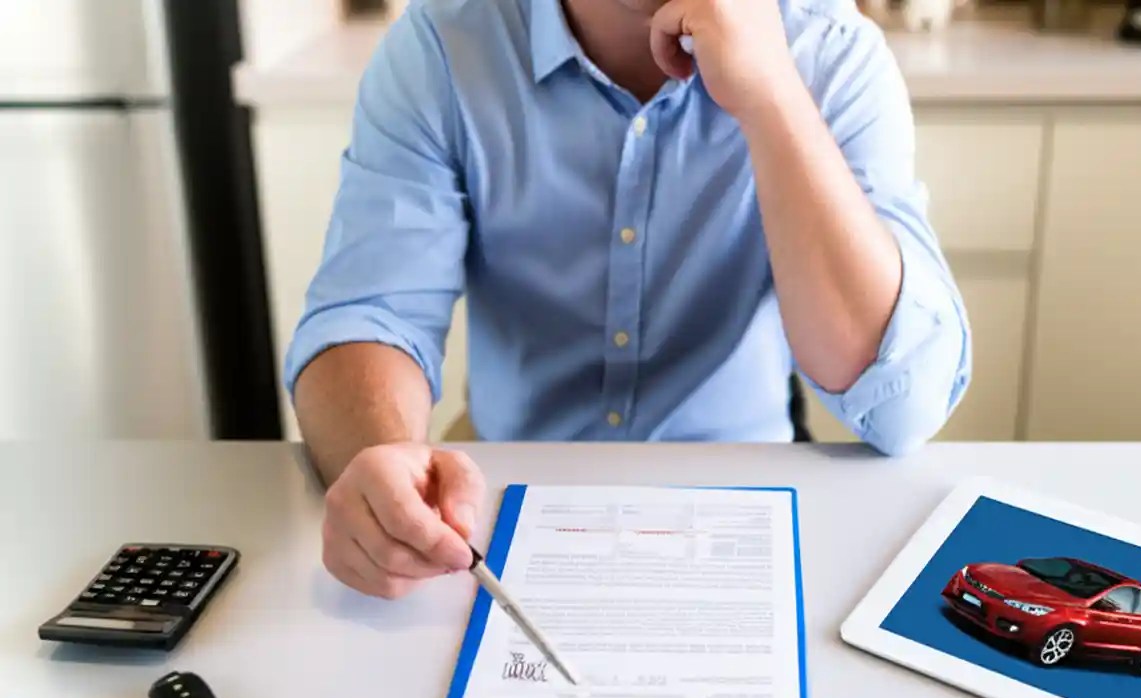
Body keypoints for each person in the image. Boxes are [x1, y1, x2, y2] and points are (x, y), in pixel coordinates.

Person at [286, 0, 971, 599]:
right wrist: (382, 462)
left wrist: (773, 94)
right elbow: (372, 312)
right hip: (500, 499)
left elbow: (901, 408)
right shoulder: (442, 45)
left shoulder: (828, 48)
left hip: (744, 503)